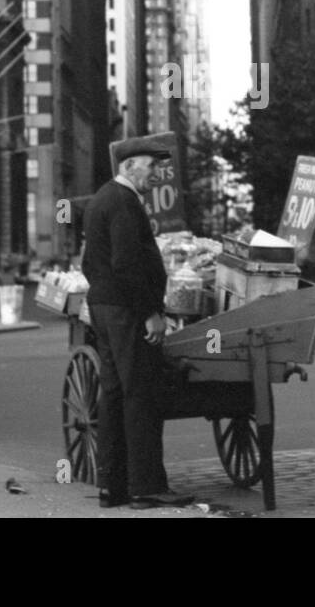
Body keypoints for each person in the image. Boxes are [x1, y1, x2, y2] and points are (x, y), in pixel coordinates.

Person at [81, 140, 194, 511]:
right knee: (140, 393)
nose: (157, 174)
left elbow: (91, 264)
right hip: (126, 310)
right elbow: (127, 262)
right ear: (129, 166)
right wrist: (150, 311)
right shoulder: (124, 202)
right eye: (151, 166)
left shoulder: (102, 199)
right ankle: (145, 487)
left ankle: (111, 486)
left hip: (104, 306)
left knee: (113, 395)